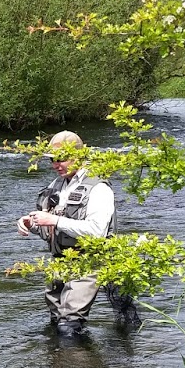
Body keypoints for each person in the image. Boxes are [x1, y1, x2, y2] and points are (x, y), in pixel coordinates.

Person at [16, 131, 116, 336]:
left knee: (68, 325)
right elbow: (50, 227)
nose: (55, 164)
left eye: (61, 159)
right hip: (60, 261)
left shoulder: (98, 188)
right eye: (52, 159)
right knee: (56, 321)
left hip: (89, 261)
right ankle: (58, 365)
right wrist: (30, 224)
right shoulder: (56, 185)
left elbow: (97, 232)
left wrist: (54, 220)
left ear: (78, 156)